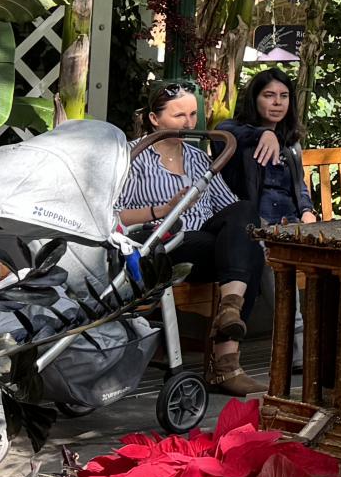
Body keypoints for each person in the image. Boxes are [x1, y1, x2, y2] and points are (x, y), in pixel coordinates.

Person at [121, 80, 263, 396]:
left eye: (193, 115)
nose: (189, 124)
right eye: (179, 116)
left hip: (210, 249)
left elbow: (230, 209)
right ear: (154, 119)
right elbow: (112, 215)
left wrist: (248, 226)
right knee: (247, 251)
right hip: (163, 244)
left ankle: (229, 307)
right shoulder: (133, 157)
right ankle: (225, 365)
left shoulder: (199, 158)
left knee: (245, 219)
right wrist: (162, 210)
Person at [220, 68, 316, 226]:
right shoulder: (238, 136)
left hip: (291, 223)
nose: (277, 102)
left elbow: (299, 184)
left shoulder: (291, 143)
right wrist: (262, 133)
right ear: (254, 99)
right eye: (269, 95)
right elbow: (222, 131)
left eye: (284, 96)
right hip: (255, 225)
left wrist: (307, 210)